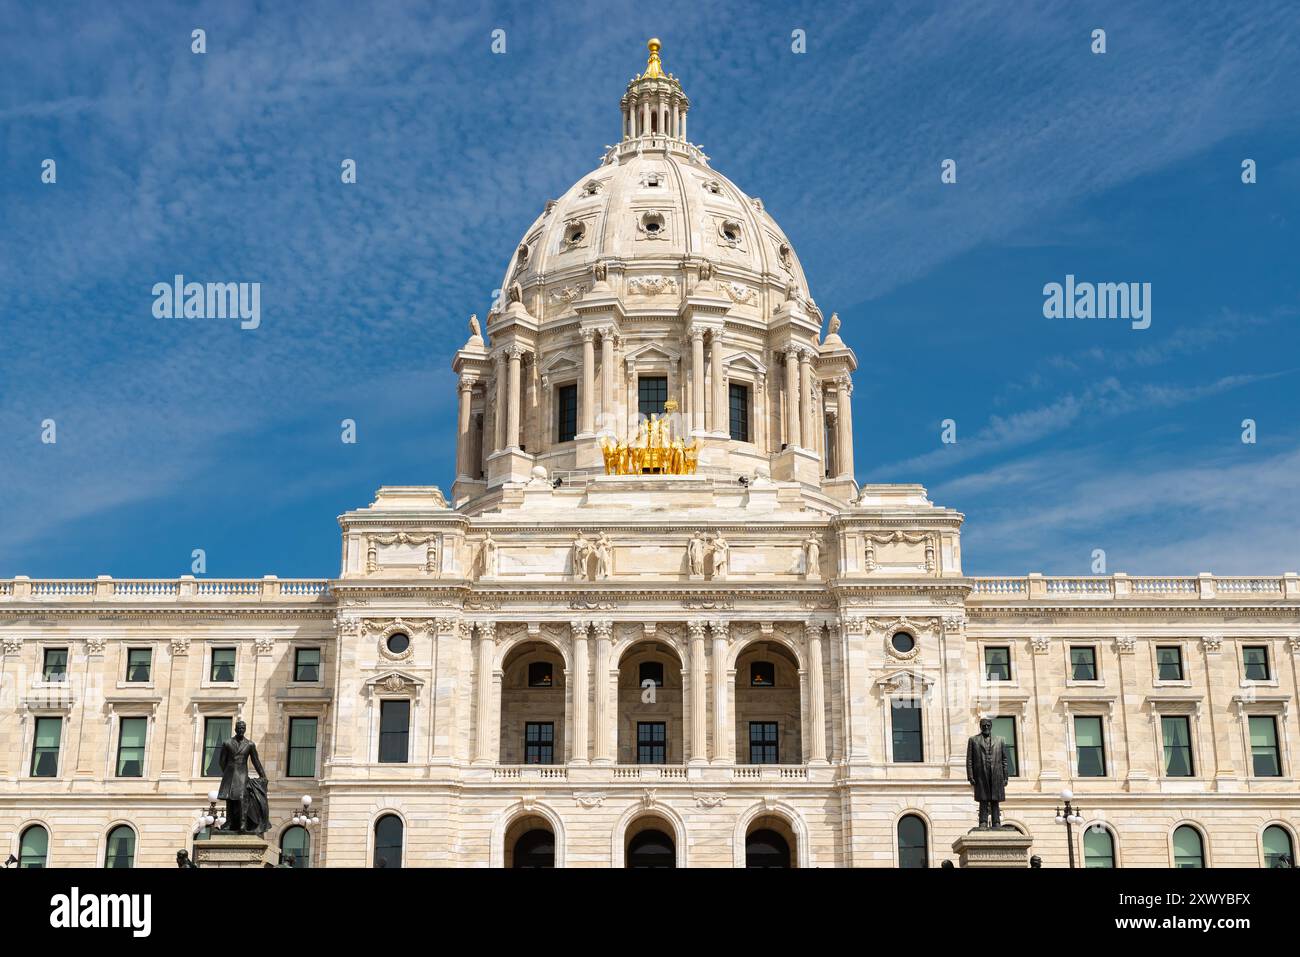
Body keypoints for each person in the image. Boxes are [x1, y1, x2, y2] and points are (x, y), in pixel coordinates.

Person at [218, 719, 269, 834]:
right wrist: (227, 772)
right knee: (230, 799)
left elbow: (256, 761)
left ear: (245, 730)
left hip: (242, 774)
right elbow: (221, 761)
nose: (241, 730)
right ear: (235, 729)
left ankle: (242, 823)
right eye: (239, 728)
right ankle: (229, 822)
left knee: (242, 798)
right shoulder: (227, 743)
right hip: (230, 774)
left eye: (243, 728)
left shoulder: (250, 744)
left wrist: (263, 776)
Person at [965, 716, 1009, 828]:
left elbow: (1004, 760)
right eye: (983, 725)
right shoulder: (973, 740)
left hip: (996, 773)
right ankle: (983, 821)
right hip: (980, 774)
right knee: (983, 799)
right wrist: (970, 775)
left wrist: (1005, 776)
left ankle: (996, 822)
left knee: (995, 799)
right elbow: (969, 759)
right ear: (980, 726)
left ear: (991, 726)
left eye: (988, 725)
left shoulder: (1000, 740)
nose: (986, 727)